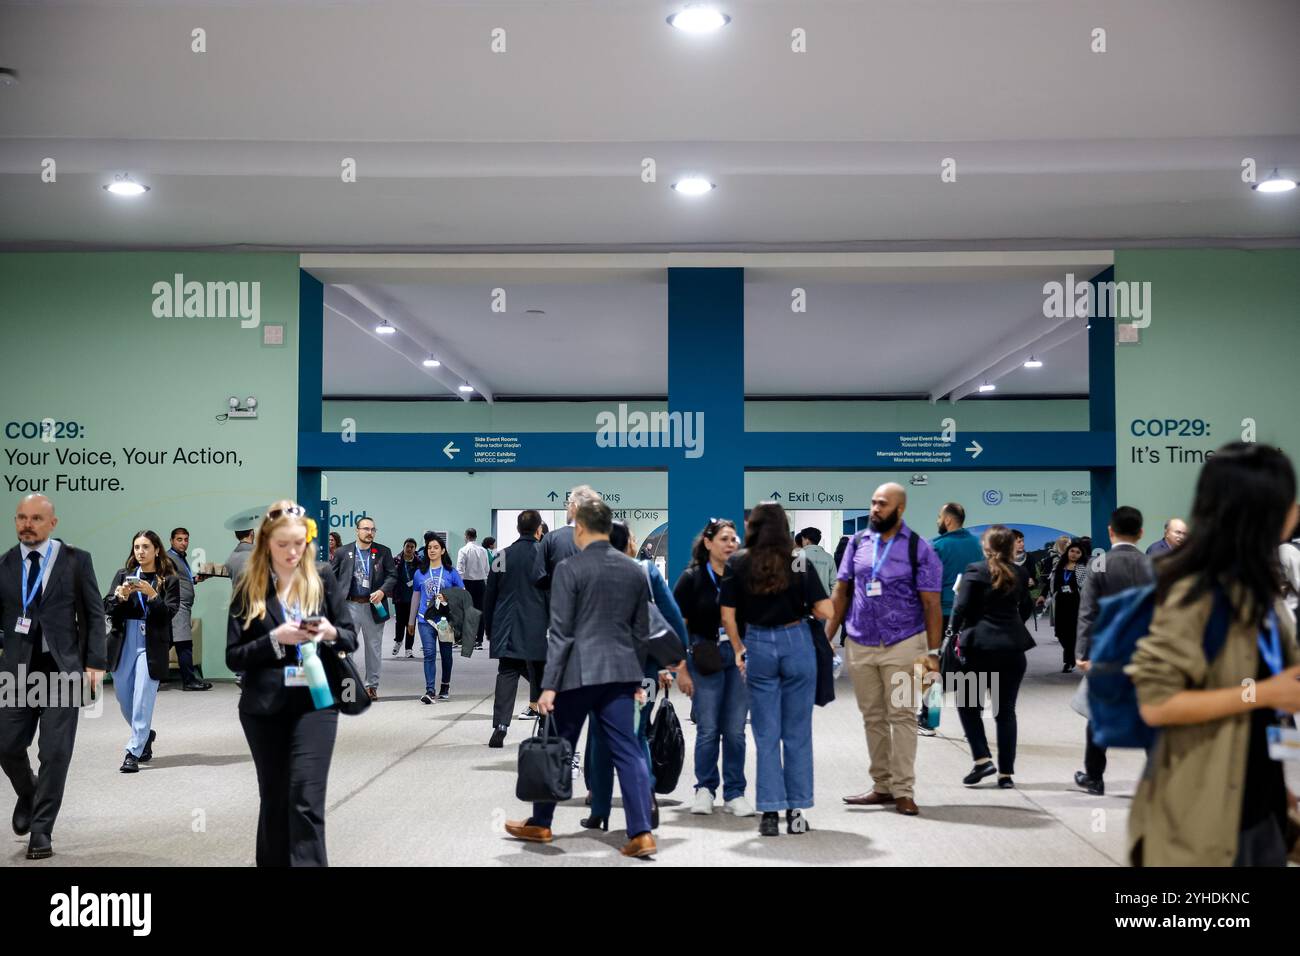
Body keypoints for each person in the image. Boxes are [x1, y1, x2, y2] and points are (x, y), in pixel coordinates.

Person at [1129, 443, 1300, 866]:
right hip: (1201, 819)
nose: (1294, 508)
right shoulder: (1195, 594)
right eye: (1286, 496)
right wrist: (1262, 694)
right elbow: (1156, 703)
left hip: (1262, 802)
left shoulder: (1260, 589)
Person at [504, 498, 657, 858]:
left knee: (557, 746)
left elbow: (561, 633)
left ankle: (541, 823)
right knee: (628, 751)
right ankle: (642, 833)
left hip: (576, 675)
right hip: (620, 674)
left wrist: (549, 685)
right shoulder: (634, 569)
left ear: (582, 529)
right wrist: (636, 679)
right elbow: (641, 631)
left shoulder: (569, 569)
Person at [227, 500, 356, 867]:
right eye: (283, 543)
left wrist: (331, 632)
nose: (292, 551)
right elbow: (234, 656)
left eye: (298, 543)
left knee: (306, 799)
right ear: (267, 542)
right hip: (263, 707)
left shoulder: (324, 577)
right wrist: (275, 639)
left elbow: (349, 637)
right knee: (275, 799)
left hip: (317, 702)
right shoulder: (248, 586)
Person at [0, 494, 107, 860]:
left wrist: (95, 662)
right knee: (7, 746)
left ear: (52, 523)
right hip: (16, 673)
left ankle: (42, 830)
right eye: (21, 518)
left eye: (35, 518)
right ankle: (28, 793)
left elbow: (94, 614)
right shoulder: (5, 564)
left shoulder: (76, 561)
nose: (27, 524)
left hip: (63, 670)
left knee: (55, 753)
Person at [826, 482, 943, 817]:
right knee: (873, 717)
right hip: (861, 641)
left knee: (902, 716)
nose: (875, 509)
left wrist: (932, 653)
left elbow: (932, 604)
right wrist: (826, 638)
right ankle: (882, 786)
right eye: (874, 503)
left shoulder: (920, 549)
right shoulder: (857, 543)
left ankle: (904, 790)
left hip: (906, 642)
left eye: (882, 504)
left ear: (900, 509)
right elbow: (841, 591)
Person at [720, 502, 833, 837]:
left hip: (758, 645)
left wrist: (740, 650)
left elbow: (727, 616)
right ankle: (796, 813)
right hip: (796, 641)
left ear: (752, 527)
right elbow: (825, 610)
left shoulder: (738, 562)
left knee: (766, 734)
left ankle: (769, 813)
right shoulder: (799, 561)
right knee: (797, 733)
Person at [582, 521, 689, 832]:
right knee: (637, 734)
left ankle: (599, 811)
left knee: (601, 738)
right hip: (643, 670)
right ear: (628, 542)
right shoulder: (646, 572)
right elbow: (671, 619)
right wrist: (675, 663)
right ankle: (645, 797)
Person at [936, 525, 1034, 789]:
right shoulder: (1021, 572)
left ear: (986, 547)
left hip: (978, 649)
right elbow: (1025, 606)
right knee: (1006, 712)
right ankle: (1006, 775)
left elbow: (961, 607)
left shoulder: (975, 571)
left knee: (968, 706)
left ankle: (982, 759)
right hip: (1013, 649)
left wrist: (951, 634)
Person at [1072, 505, 1154, 796]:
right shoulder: (1152, 564)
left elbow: (1088, 613)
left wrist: (1082, 653)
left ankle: (1094, 777)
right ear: (1141, 532)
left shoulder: (1099, 564)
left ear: (1110, 530)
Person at [673, 517, 752, 817]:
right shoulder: (691, 578)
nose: (731, 544)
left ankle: (735, 792)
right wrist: (680, 668)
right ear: (707, 543)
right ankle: (704, 789)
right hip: (703, 657)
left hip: (738, 658)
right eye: (724, 539)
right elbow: (678, 625)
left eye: (734, 539)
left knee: (735, 730)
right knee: (708, 729)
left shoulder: (744, 577)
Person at [105, 530, 181, 773]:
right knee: (123, 696)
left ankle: (133, 752)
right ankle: (146, 734)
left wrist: (152, 595)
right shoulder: (123, 575)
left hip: (152, 643)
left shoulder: (169, 579)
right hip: (124, 640)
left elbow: (168, 614)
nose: (141, 551)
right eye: (137, 547)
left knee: (142, 699)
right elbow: (107, 606)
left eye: (146, 547)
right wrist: (120, 598)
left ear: (157, 550)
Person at [484, 511, 549, 746]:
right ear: (538, 529)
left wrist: (490, 629)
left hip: (507, 625)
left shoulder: (502, 556)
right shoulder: (544, 555)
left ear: (518, 528)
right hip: (538, 627)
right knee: (541, 676)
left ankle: (500, 727)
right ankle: (544, 726)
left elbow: (489, 595)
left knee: (507, 673)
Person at [923, 502, 984, 735]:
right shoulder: (977, 544)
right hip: (973, 615)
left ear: (948, 520)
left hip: (942, 612)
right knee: (972, 666)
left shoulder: (937, 546)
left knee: (933, 665)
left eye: (939, 516)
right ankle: (974, 722)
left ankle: (929, 718)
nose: (938, 520)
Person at [329, 516, 396, 701]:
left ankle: (371, 687)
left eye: (373, 529)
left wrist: (383, 591)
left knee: (373, 649)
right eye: (366, 529)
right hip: (349, 606)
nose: (370, 532)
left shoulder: (383, 552)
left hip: (374, 606)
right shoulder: (343, 552)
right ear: (357, 530)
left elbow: (392, 576)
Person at [409, 535, 465, 703]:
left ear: (442, 550)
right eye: (429, 548)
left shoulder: (450, 572)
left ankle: (445, 686)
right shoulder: (420, 572)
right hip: (425, 619)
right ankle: (430, 690)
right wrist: (411, 621)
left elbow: (462, 593)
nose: (432, 550)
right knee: (429, 653)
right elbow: (416, 597)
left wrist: (448, 597)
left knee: (446, 655)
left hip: (444, 621)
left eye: (435, 547)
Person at [166, 527, 212, 691]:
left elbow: (181, 581)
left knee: (169, 641)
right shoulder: (168, 558)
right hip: (178, 606)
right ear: (171, 541)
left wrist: (196, 580)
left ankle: (154, 677)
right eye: (179, 539)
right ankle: (189, 681)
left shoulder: (179, 558)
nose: (183, 543)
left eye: (186, 539)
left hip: (182, 606)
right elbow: (166, 581)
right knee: (184, 643)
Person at [533, 485, 600, 592]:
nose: (567, 509)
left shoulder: (551, 538)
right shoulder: (602, 541)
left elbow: (539, 578)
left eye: (568, 504)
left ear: (575, 506)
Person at [1047, 538, 1087, 672]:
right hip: (1060, 603)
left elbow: (1086, 587)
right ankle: (1073, 654)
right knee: (1060, 633)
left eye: (1078, 552)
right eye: (1072, 551)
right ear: (1067, 552)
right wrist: (1042, 595)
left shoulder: (1083, 568)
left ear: (1081, 555)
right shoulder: (1058, 565)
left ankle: (1069, 661)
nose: (1074, 554)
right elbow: (1050, 583)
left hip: (1076, 603)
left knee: (1072, 632)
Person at [456, 527, 490, 649]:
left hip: (467, 583)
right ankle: (479, 640)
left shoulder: (463, 550)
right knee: (480, 611)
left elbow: (460, 570)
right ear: (475, 536)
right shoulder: (483, 550)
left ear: (466, 536)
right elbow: (487, 569)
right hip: (481, 583)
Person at [392, 538, 419, 659]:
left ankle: (409, 649)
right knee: (400, 622)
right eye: (407, 546)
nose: (409, 549)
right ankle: (398, 641)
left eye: (412, 547)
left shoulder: (419, 563)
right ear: (403, 547)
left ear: (415, 549)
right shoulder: (396, 560)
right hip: (399, 596)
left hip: (414, 598)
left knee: (411, 623)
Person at [796, 527, 837, 598]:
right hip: (824, 603)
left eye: (802, 539)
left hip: (804, 602)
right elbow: (834, 584)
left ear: (807, 540)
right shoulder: (829, 558)